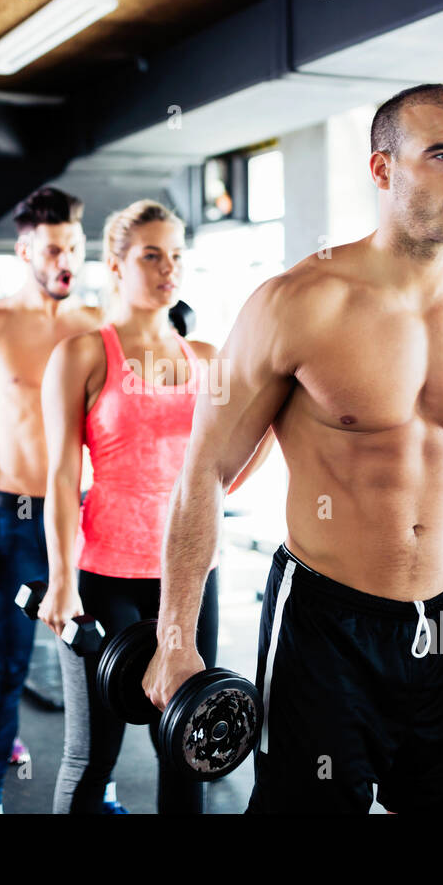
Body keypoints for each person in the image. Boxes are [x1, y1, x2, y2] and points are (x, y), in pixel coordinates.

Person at [143, 83, 443, 814]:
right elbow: (204, 469)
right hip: (327, 629)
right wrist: (176, 635)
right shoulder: (297, 303)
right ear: (383, 170)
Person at [40, 200, 272, 814]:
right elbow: (63, 479)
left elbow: (221, 474)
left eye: (176, 255)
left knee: (188, 749)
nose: (169, 269)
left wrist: (274, 425)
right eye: (151, 255)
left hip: (191, 577)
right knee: (93, 756)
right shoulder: (83, 355)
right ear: (115, 265)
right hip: (106, 572)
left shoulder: (204, 358)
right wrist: (62, 582)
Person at [0, 186, 103, 814]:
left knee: (94, 666)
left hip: (89, 518)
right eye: (55, 249)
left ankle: (99, 790)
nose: (67, 261)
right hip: (15, 519)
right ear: (24, 248)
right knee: (6, 672)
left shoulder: (97, 329)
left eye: (76, 249)